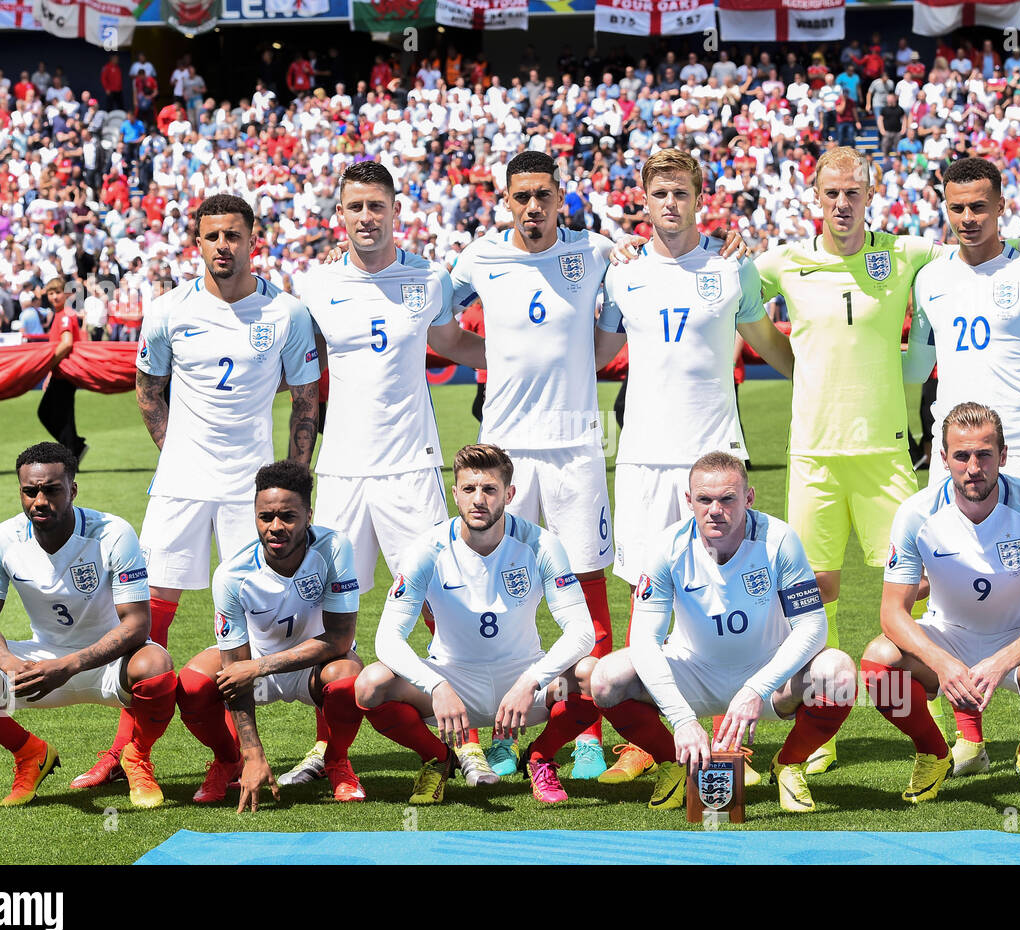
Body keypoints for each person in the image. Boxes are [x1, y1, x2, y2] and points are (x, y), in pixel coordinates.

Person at [752, 147, 1020, 774]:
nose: (842, 204)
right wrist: (792, 366)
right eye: (831, 193)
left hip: (889, 452)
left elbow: (975, 235)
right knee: (816, 592)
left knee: (927, 585)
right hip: (812, 453)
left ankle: (956, 725)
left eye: (854, 193)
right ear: (813, 196)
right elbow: (732, 295)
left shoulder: (905, 254)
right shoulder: (782, 262)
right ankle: (822, 728)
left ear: (871, 195)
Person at [70, 193, 320, 789]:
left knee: (237, 627)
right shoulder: (166, 310)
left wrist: (291, 485)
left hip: (251, 491)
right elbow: (147, 389)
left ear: (252, 238)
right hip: (181, 485)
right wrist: (177, 451)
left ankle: (231, 758)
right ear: (197, 243)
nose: (223, 247)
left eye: (234, 235)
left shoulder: (285, 312)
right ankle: (126, 752)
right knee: (145, 625)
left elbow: (306, 403)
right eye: (213, 237)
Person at [284, 161, 487, 788]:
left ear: (396, 210)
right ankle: (330, 751)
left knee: (440, 606)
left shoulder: (431, 278)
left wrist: (536, 358)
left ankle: (470, 743)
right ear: (338, 214)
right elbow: (296, 371)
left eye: (377, 206)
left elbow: (458, 344)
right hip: (342, 472)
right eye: (354, 207)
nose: (366, 218)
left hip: (410, 470)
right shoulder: (314, 286)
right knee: (329, 617)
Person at [595, 148, 795, 784]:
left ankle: (732, 735)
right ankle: (653, 742)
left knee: (732, 585)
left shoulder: (733, 268)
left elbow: (771, 345)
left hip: (715, 458)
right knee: (646, 590)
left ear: (699, 198)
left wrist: (814, 378)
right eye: (660, 195)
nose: (671, 205)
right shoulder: (621, 274)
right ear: (644, 201)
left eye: (682, 193)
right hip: (645, 458)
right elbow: (592, 347)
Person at [904, 156, 1020, 785]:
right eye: (956, 207)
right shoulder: (929, 278)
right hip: (949, 456)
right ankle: (968, 738)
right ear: (943, 206)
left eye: (978, 206)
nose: (967, 218)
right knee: (951, 595)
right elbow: (916, 366)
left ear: (1001, 204)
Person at [449, 151, 617, 780]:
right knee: (498, 594)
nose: (535, 208)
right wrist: (487, 355)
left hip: (576, 451)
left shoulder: (595, 252)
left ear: (561, 197)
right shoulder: (479, 258)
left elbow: (642, 277)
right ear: (507, 201)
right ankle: (498, 734)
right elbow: (436, 324)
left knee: (586, 595)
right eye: (523, 197)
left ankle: (588, 734)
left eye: (545, 195)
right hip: (505, 453)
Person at [588, 452, 853, 812]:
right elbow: (644, 642)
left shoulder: (779, 539)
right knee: (604, 679)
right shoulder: (666, 547)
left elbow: (812, 627)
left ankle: (788, 764)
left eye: (727, 499)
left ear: (749, 497)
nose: (715, 510)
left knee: (838, 673)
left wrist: (756, 688)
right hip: (692, 673)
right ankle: (675, 764)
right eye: (704, 499)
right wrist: (682, 719)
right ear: (688, 501)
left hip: (768, 677)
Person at [861, 403, 1020, 807]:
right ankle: (932, 752)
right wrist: (946, 664)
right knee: (878, 659)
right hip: (948, 639)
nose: (973, 467)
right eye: (962, 455)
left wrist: (1000, 662)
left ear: (1003, 456)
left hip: (1019, 644)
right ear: (943, 457)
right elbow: (892, 612)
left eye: (985, 455)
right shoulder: (916, 513)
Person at [352, 444, 598, 805]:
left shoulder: (541, 544)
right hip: (452, 687)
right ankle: (439, 757)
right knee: (371, 684)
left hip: (527, 689)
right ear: (455, 494)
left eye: (489, 489)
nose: (478, 499)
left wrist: (532, 681)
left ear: (509, 494)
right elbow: (387, 639)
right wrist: (435, 685)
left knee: (595, 676)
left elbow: (582, 631)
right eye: (468, 489)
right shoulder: (427, 549)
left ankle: (540, 756)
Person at [0, 442, 176, 807]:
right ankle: (29, 752)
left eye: (51, 490)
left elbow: (137, 626)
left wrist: (68, 666)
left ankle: (136, 757)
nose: (39, 501)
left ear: (73, 490)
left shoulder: (112, 532)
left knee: (156, 669)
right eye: (29, 491)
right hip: (39, 661)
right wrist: (11, 664)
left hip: (108, 663)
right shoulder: (4, 539)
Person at [175, 460, 366, 809]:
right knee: (192, 685)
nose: (275, 527)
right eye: (265, 517)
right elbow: (236, 664)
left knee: (347, 679)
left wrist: (260, 667)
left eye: (288, 517)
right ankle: (228, 760)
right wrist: (253, 754)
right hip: (255, 663)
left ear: (309, 514)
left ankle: (337, 761)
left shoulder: (334, 547)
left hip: (316, 665)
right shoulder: (232, 575)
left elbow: (340, 638)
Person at [35, 276, 87, 463]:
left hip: (66, 373)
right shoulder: (59, 315)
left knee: (48, 413)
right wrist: (50, 373)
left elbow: (66, 344)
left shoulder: (65, 315)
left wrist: (47, 365)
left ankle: (73, 450)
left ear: (65, 294)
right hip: (61, 373)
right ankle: (74, 449)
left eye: (57, 293)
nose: (54, 297)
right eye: (50, 293)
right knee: (64, 416)